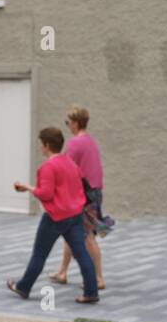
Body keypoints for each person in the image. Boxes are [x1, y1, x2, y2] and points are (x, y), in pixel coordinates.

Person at [8, 128, 99, 304]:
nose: (40, 147)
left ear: (47, 145)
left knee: (40, 254)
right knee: (81, 253)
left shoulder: (48, 167)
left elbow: (46, 194)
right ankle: (91, 291)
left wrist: (27, 188)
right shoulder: (70, 163)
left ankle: (23, 287)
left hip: (55, 217)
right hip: (75, 215)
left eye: (41, 144)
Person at [53, 106, 111, 290]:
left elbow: (67, 170)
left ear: (76, 123)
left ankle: (99, 279)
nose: (67, 125)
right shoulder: (90, 141)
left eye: (68, 122)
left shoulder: (74, 143)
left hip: (83, 195)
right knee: (71, 233)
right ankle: (62, 272)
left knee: (87, 237)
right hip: (94, 192)